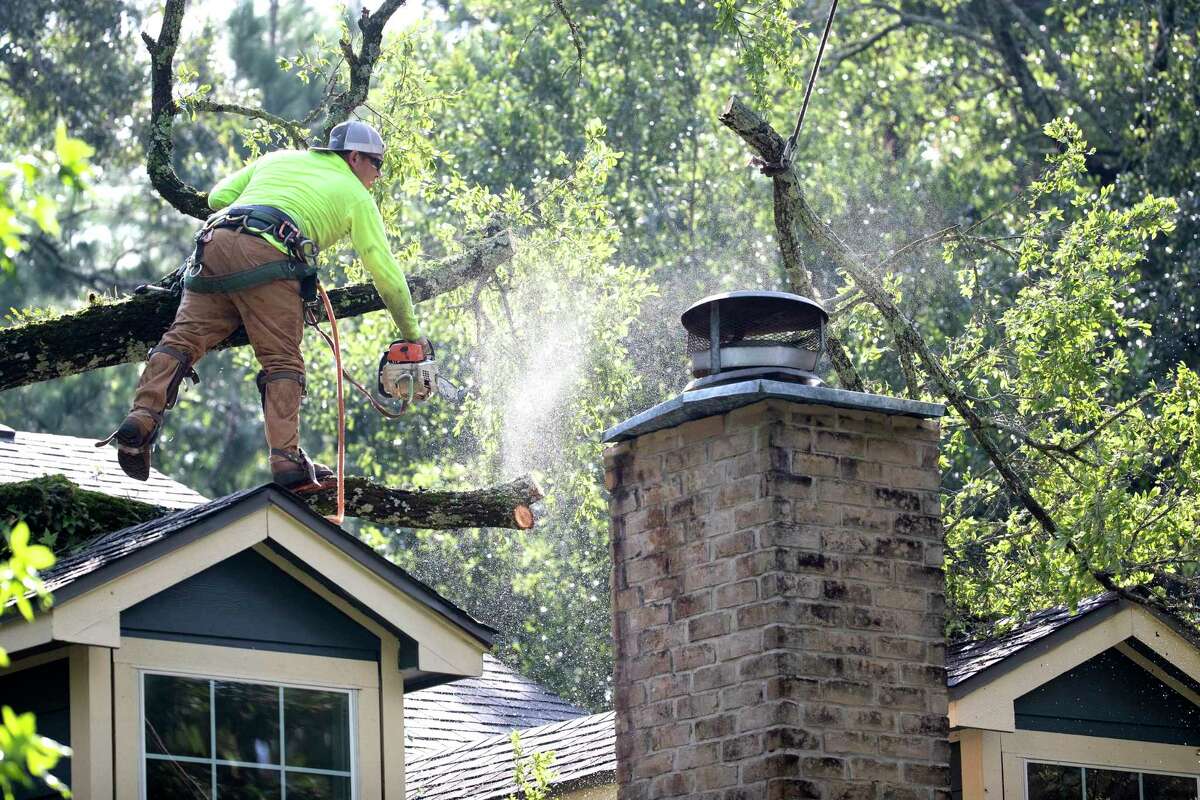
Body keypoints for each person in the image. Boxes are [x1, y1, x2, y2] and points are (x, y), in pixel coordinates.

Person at [102, 120, 426, 491]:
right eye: (376, 164)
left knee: (182, 339)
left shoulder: (280, 159)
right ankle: (286, 460)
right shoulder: (357, 195)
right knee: (282, 361)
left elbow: (217, 197)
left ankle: (142, 418)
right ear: (354, 157)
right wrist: (412, 334)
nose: (378, 175)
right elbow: (386, 275)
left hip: (214, 244)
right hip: (269, 256)